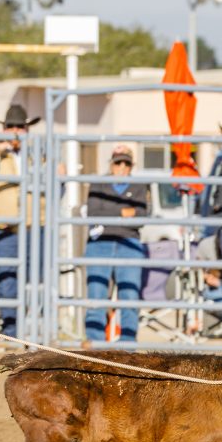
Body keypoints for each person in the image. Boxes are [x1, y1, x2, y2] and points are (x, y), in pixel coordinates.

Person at [0, 104, 42, 338]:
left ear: (27, 129)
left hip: (35, 226)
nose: (16, 131)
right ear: (4, 129)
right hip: (5, 228)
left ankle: (34, 333)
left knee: (36, 282)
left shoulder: (38, 152)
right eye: (11, 126)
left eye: (20, 126)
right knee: (7, 282)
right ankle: (12, 333)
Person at [82, 145, 148, 342]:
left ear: (131, 166)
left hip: (129, 243)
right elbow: (94, 213)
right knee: (96, 296)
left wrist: (109, 214)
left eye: (126, 163)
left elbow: (142, 216)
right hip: (100, 243)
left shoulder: (138, 186)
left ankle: (128, 349)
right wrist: (123, 213)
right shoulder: (98, 184)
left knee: (129, 297)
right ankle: (95, 347)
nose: (121, 167)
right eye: (118, 162)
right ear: (111, 164)